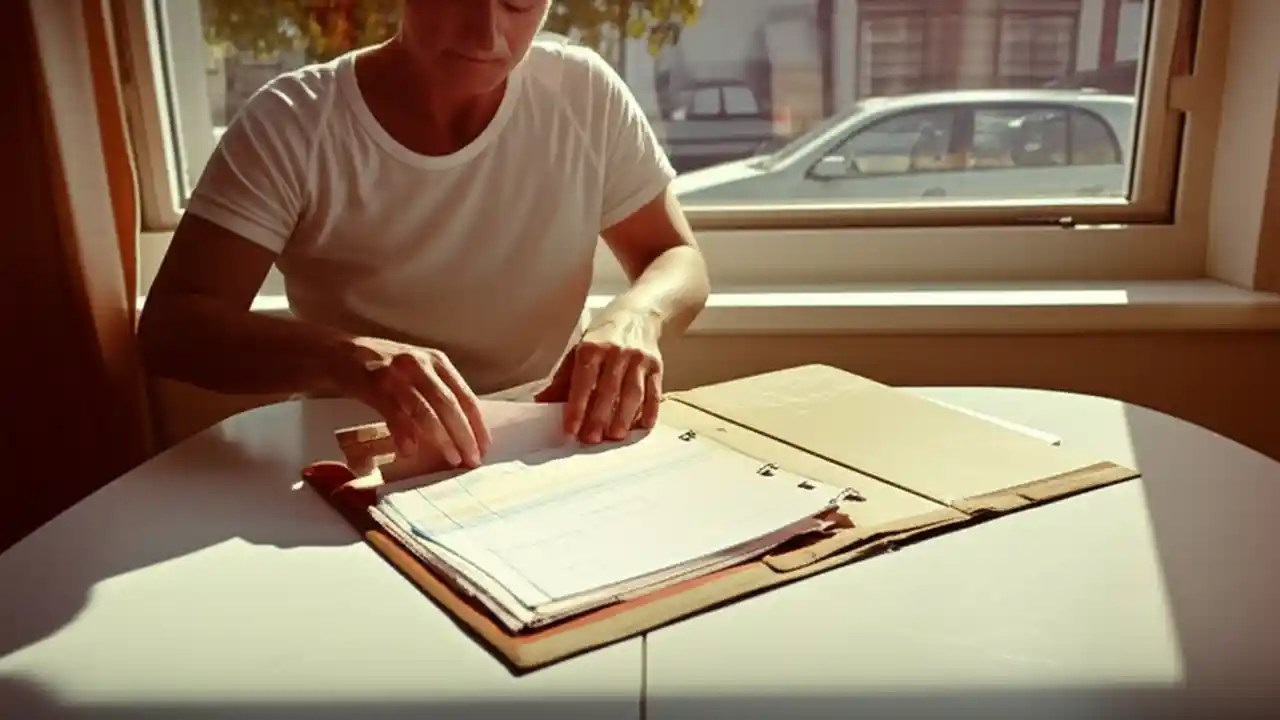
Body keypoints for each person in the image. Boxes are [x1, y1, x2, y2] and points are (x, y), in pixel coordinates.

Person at [137, 0, 710, 471]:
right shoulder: (293, 122)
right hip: (366, 446)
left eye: (518, 2)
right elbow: (171, 329)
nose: (487, 34)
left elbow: (675, 254)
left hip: (544, 438)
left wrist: (638, 315)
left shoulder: (584, 93)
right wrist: (344, 357)